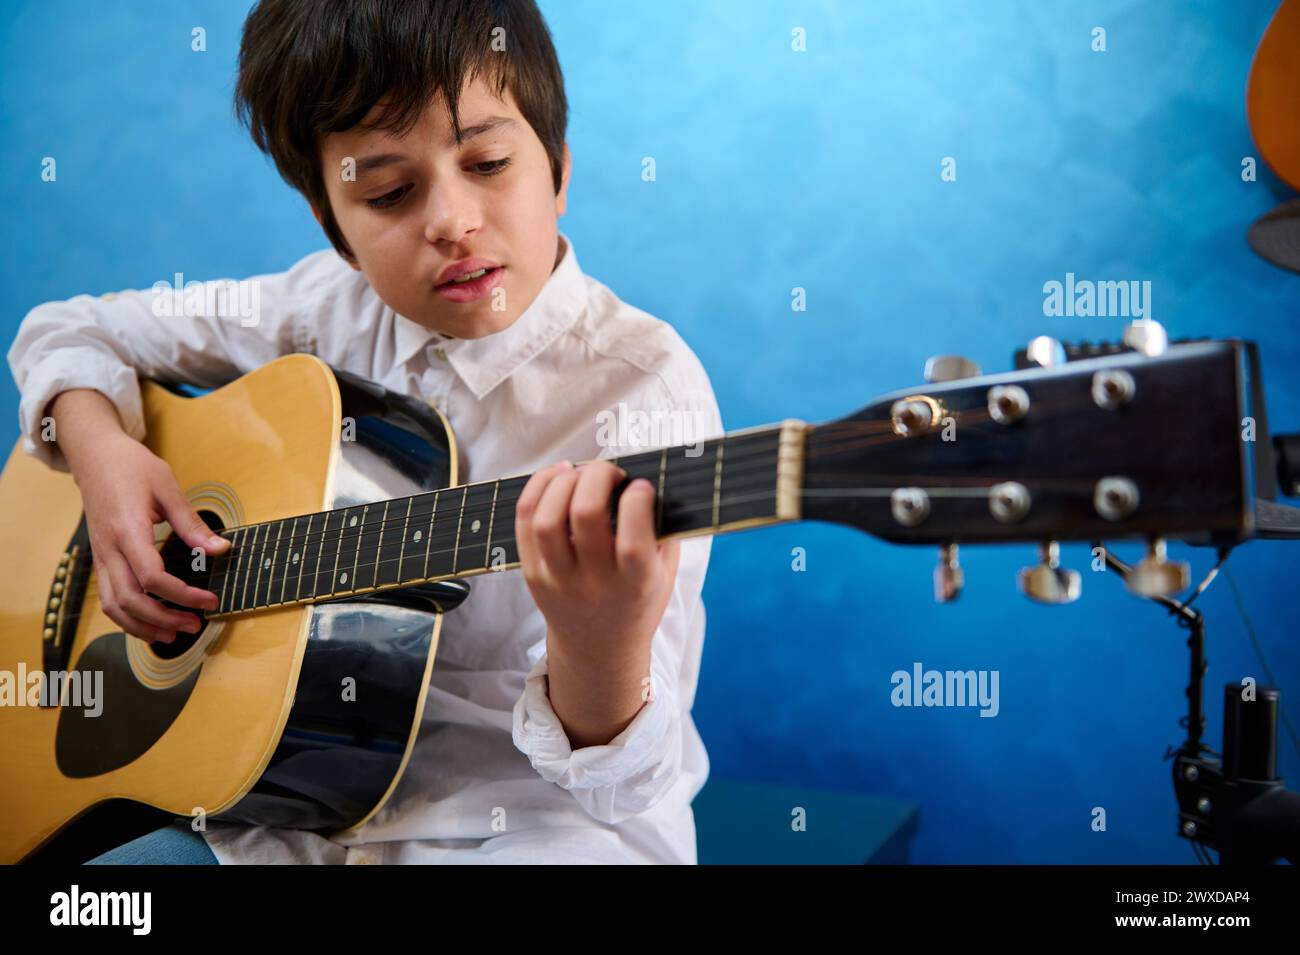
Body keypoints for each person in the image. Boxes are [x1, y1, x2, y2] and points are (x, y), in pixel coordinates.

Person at [7, 0, 722, 865]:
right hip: (273, 818)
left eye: (489, 162)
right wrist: (101, 453)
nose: (451, 220)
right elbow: (68, 329)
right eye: (387, 192)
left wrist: (599, 643)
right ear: (334, 229)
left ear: (560, 171)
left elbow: (625, 782)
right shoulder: (322, 311)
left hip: (530, 821)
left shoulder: (644, 387)